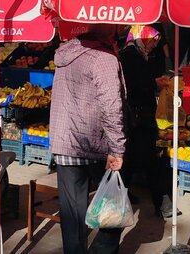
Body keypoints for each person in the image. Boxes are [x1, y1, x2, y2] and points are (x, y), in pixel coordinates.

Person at [50, 24, 127, 254]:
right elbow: (112, 106)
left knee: (73, 220)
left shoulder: (65, 54)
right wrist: (117, 148)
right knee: (113, 212)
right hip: (95, 144)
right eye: (116, 30)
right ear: (108, 32)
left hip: (65, 143)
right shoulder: (103, 58)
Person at [119, 25, 175, 218]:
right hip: (137, 116)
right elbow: (133, 85)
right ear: (142, 37)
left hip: (140, 116)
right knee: (149, 159)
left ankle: (124, 196)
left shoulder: (139, 54)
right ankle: (162, 204)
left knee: (132, 159)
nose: (154, 45)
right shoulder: (129, 56)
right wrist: (154, 84)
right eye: (152, 41)